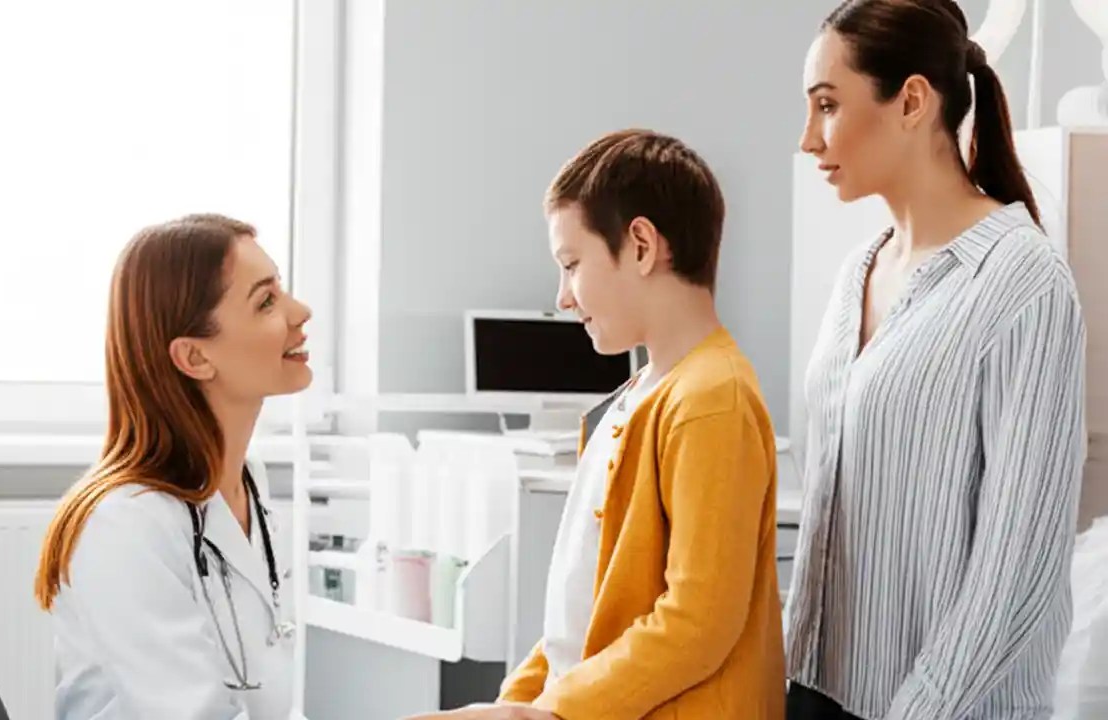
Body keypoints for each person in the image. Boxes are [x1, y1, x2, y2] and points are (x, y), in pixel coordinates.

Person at [413, 129, 786, 720]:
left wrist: (552, 713)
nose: (562, 297)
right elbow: (579, 621)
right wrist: (516, 704)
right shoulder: (629, 402)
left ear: (641, 245)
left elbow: (699, 621)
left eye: (571, 264)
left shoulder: (713, 399)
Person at [786, 1, 1087, 718]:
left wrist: (917, 710)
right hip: (819, 692)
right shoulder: (858, 268)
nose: (808, 139)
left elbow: (1020, 565)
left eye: (828, 105)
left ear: (912, 100)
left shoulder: (1023, 282)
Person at [34, 214, 313, 719]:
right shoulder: (126, 524)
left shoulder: (247, 484)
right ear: (195, 358)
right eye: (266, 301)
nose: (300, 311)